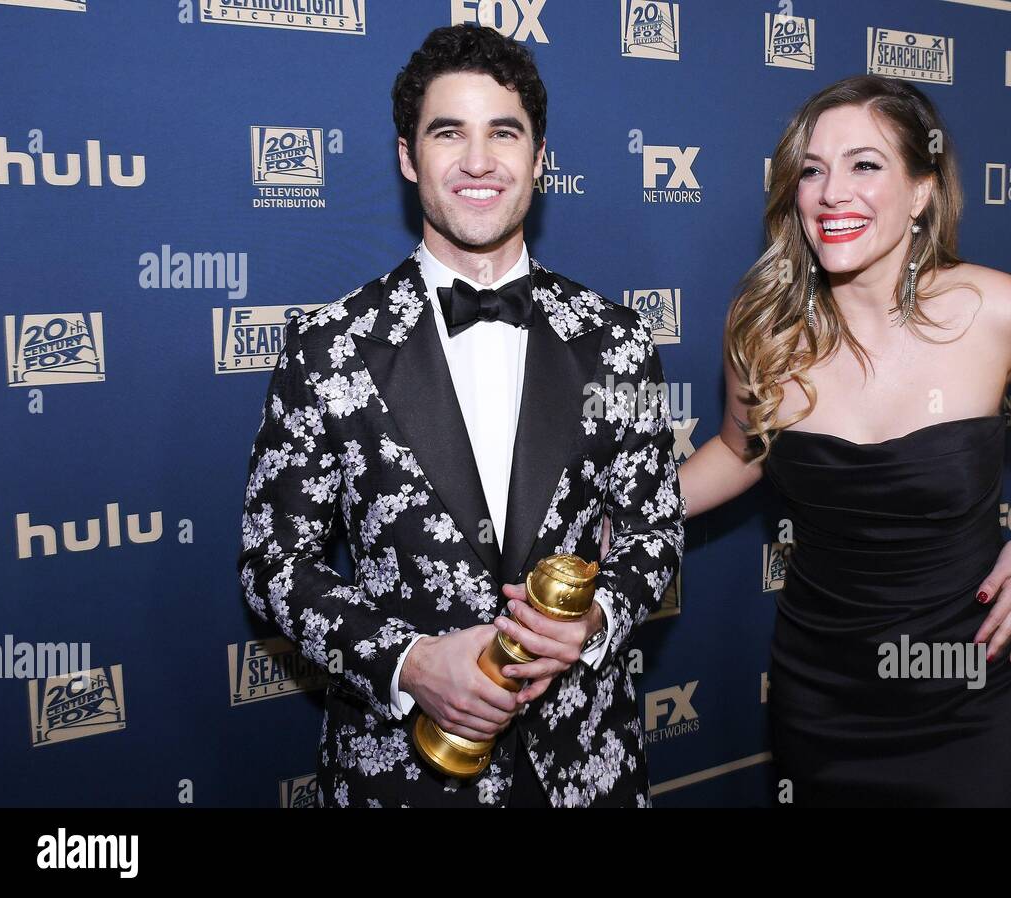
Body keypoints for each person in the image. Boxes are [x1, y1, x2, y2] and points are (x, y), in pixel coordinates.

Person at [237, 24, 683, 808]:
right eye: (450, 133)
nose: (478, 161)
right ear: (409, 158)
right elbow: (274, 565)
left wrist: (599, 619)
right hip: (398, 774)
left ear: (540, 159)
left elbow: (655, 530)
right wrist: (407, 663)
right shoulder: (328, 345)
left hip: (586, 769)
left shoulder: (616, 341)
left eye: (503, 133)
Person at [676, 75, 1011, 806]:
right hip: (823, 688)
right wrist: (622, 512)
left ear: (922, 191)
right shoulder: (765, 327)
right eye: (813, 169)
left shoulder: (998, 312)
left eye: (865, 165)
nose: (832, 191)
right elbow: (741, 452)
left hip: (970, 685)